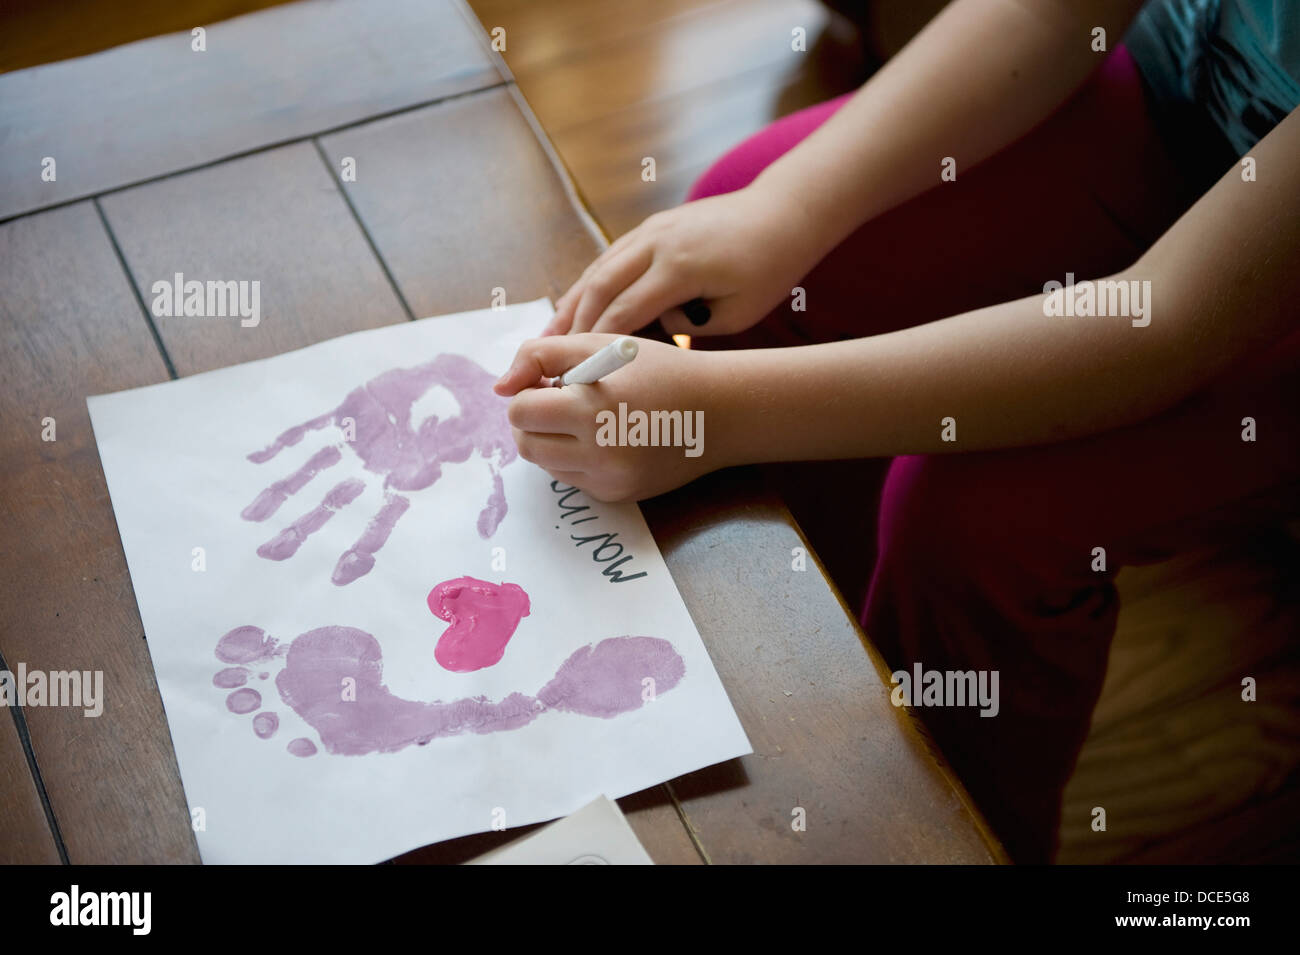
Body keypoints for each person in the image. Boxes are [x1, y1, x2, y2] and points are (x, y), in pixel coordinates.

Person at [493, 0, 1300, 861]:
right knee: (735, 232)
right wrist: (781, 211)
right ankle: (801, 716)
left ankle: (945, 834)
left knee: (981, 514)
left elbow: (1166, 323)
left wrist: (718, 415)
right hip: (1173, 89)